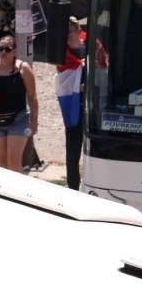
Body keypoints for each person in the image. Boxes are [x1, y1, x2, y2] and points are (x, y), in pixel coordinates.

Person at [0, 36, 38, 172]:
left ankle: (18, 192)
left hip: (19, 119)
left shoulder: (23, 69)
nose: (3, 52)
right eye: (0, 49)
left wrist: (34, 121)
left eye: (7, 49)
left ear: (15, 51)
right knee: (2, 164)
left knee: (13, 162)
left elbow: (32, 97)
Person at [56, 16, 86, 190]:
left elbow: (103, 64)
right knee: (73, 149)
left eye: (70, 30)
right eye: (64, 32)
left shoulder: (91, 44)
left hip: (92, 105)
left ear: (77, 30)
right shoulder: (62, 53)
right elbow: (62, 81)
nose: (67, 34)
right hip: (73, 104)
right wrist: (77, 87)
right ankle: (73, 185)